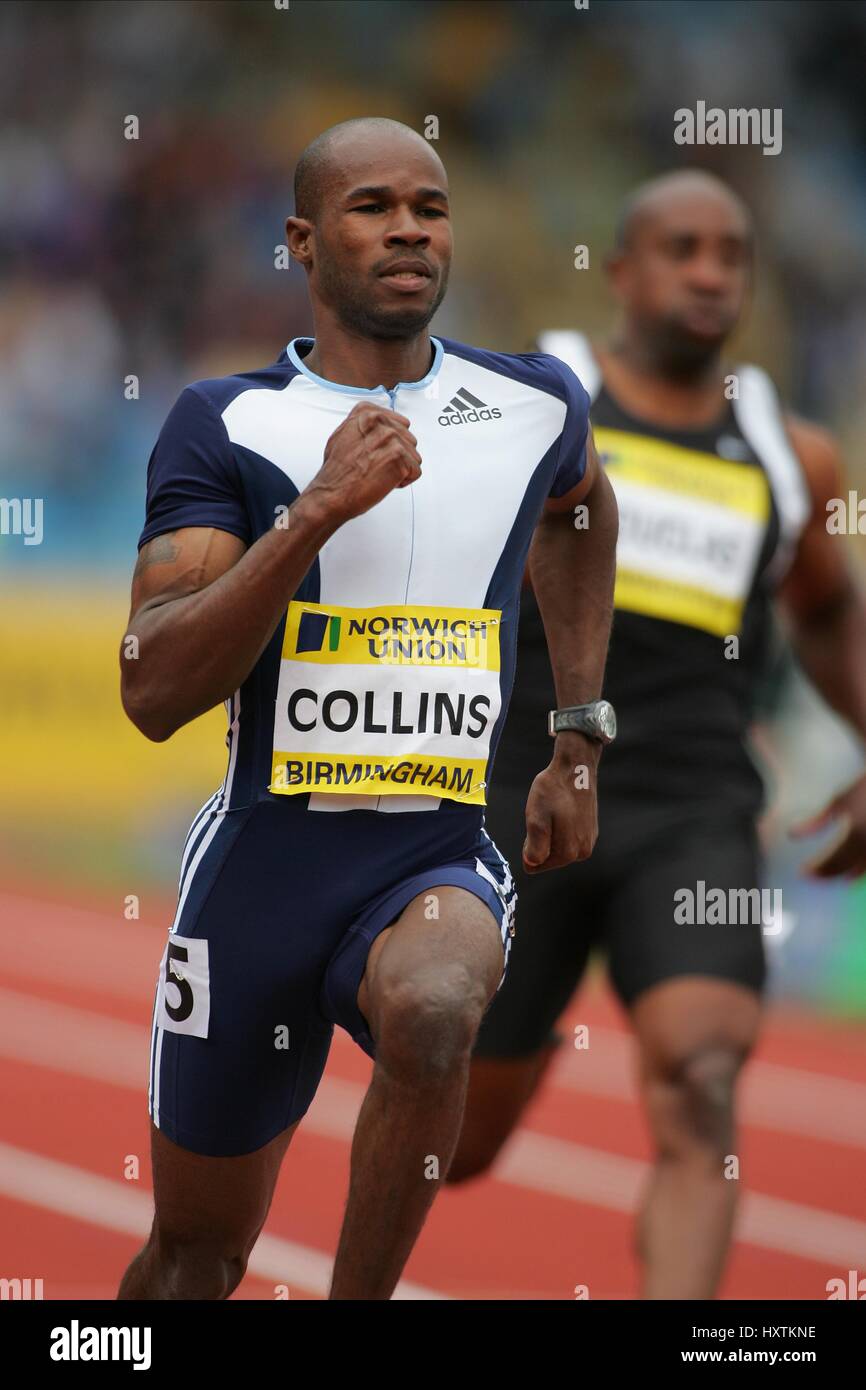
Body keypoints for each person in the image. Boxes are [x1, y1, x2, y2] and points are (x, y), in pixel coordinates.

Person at [116, 117, 618, 1301]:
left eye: (429, 208)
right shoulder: (224, 421)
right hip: (262, 870)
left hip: (433, 852)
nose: (408, 229)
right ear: (301, 240)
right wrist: (314, 512)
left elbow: (581, 516)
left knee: (437, 1009)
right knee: (195, 1258)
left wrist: (578, 733)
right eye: (372, 207)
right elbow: (152, 687)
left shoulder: (534, 405)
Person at [448, 170, 866, 1300]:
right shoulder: (534, 399)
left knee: (700, 1079)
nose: (708, 273)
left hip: (692, 810)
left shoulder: (791, 456)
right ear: (621, 271)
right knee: (457, 1142)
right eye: (680, 248)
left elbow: (825, 605)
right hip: (516, 797)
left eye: (729, 254)